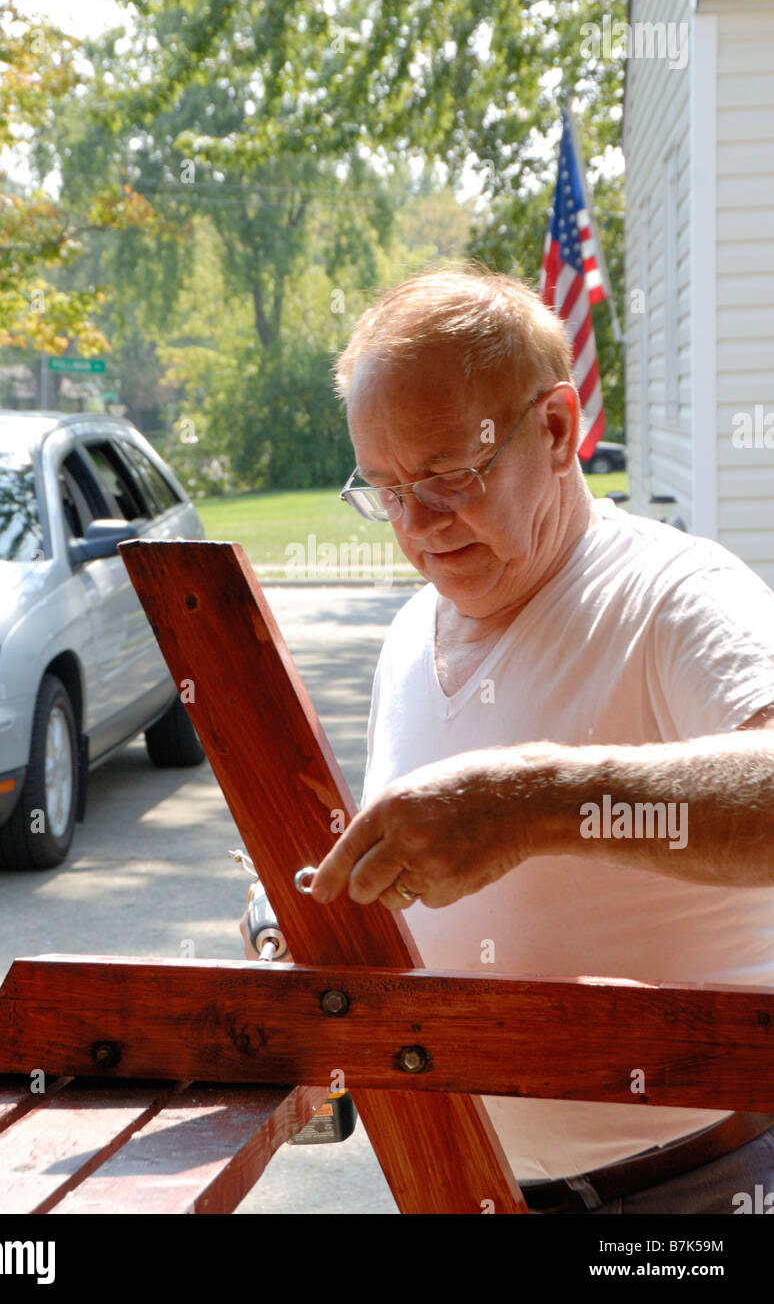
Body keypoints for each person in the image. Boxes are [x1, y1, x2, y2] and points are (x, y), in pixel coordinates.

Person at [309, 263, 774, 1214]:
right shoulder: (409, 636)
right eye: (387, 491)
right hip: (466, 1184)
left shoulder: (675, 594)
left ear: (557, 428)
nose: (420, 526)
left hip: (697, 1185)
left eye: (448, 475)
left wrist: (536, 804)